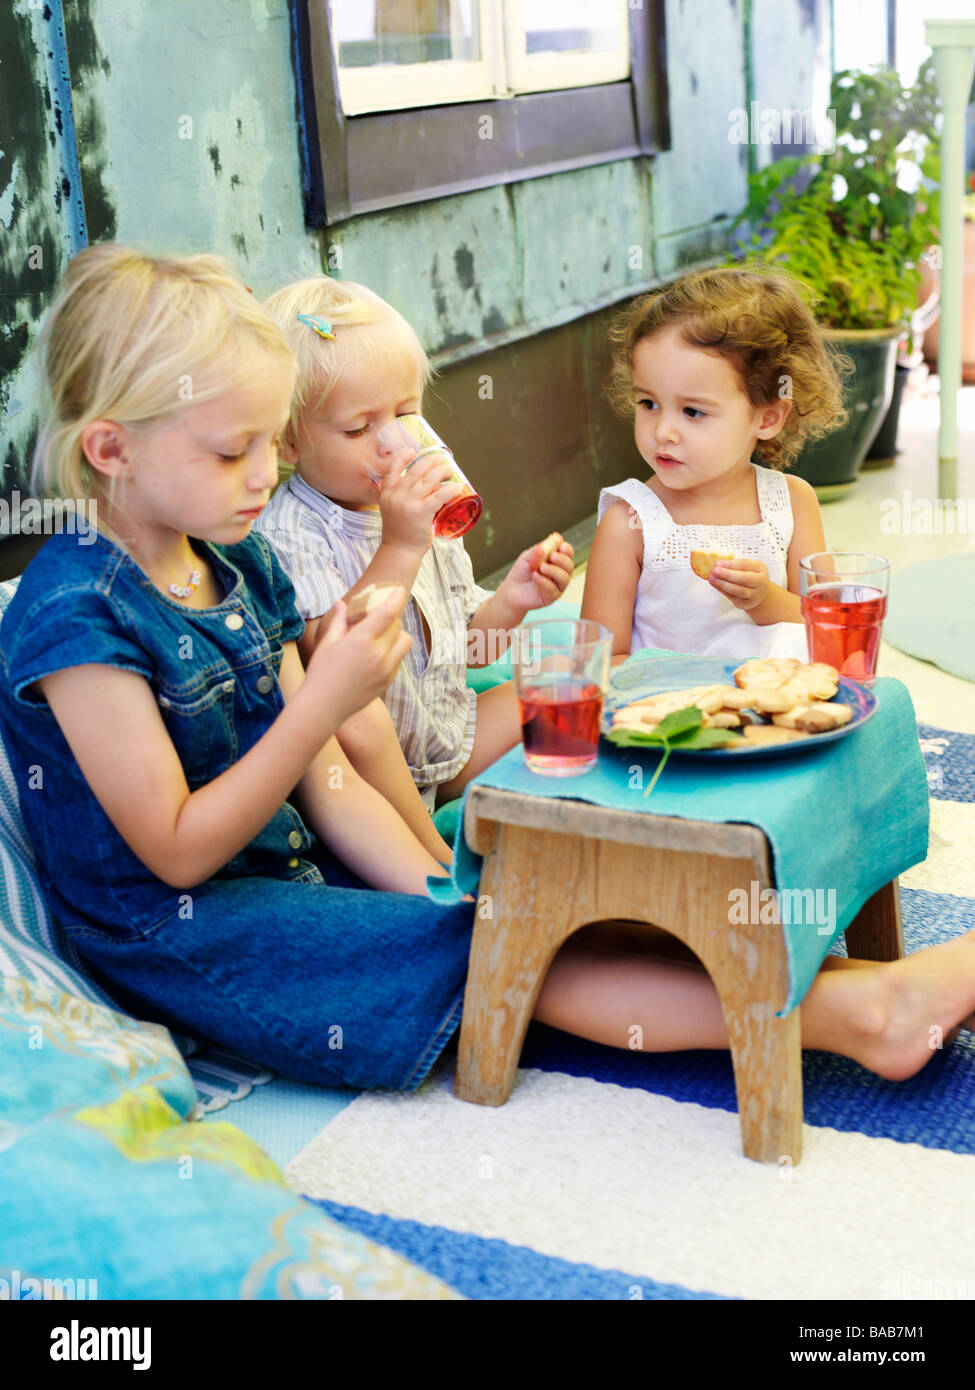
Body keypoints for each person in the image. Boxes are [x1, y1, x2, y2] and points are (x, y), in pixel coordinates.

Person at [2, 242, 973, 1096]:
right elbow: (177, 851)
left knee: (511, 905)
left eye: (273, 442)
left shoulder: (230, 556)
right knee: (488, 945)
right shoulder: (79, 620)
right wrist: (328, 713)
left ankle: (865, 992)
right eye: (235, 450)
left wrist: (433, 872)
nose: (267, 472)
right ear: (110, 449)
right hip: (192, 934)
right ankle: (868, 1016)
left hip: (302, 865)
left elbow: (334, 771)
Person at [254, 277, 573, 862]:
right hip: (369, 778)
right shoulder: (290, 535)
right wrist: (400, 546)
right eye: (358, 428)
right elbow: (334, 660)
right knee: (357, 718)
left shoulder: (423, 506)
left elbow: (467, 648)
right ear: (288, 442)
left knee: (570, 684)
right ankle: (440, 860)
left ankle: (590, 822)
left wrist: (515, 599)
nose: (394, 443)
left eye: (406, 413)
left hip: (445, 740)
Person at [582, 266, 847, 663]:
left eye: (692, 411)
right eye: (648, 403)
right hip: (666, 712)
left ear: (768, 417)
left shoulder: (792, 503)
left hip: (772, 703)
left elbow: (829, 629)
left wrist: (764, 600)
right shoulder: (630, 522)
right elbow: (598, 659)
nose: (663, 432)